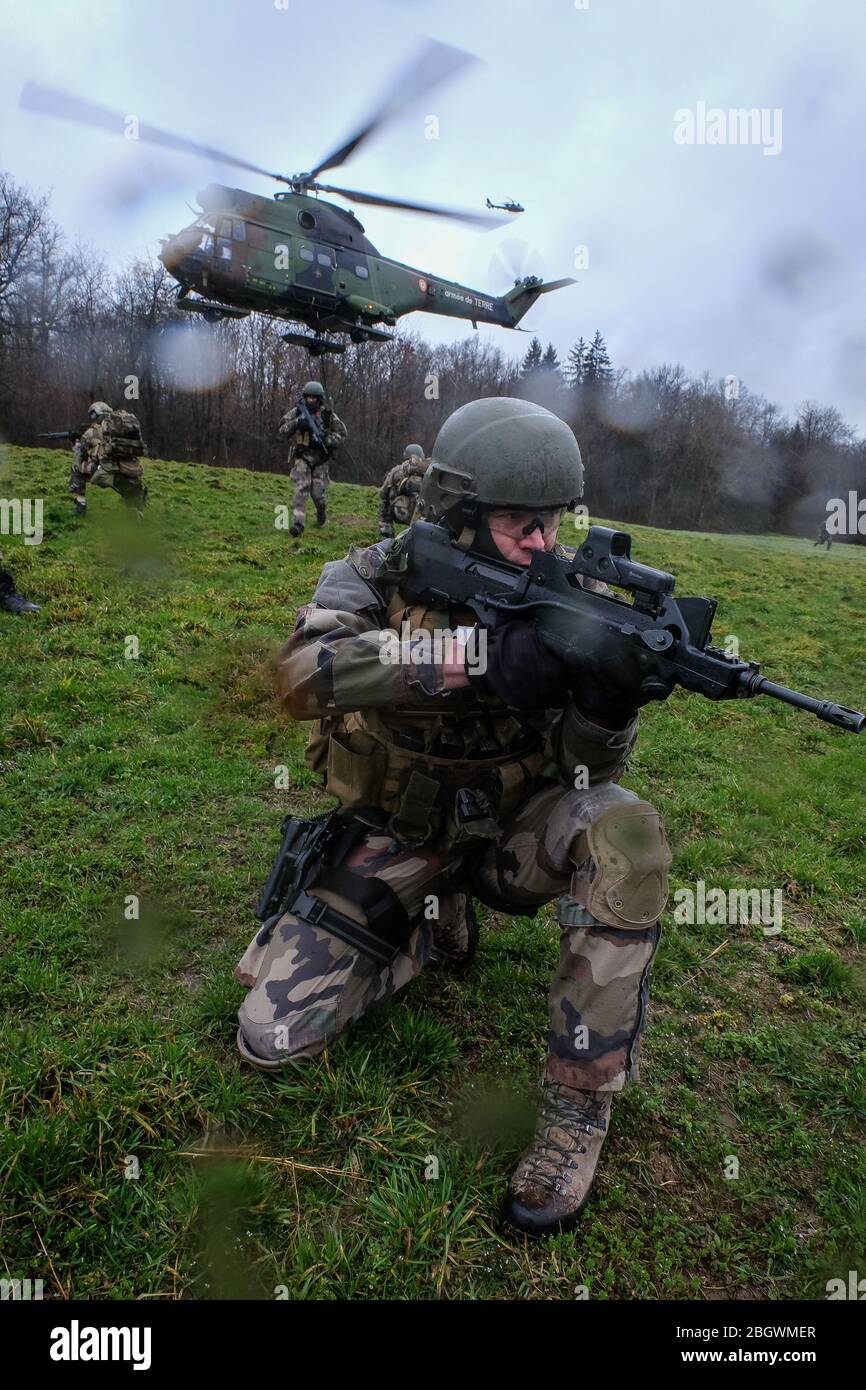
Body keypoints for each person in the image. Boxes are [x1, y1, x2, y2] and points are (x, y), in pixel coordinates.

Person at [234, 397, 673, 1237]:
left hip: (517, 831)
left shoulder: (569, 599)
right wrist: (471, 660)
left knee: (626, 830)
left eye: (554, 523)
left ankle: (577, 1111)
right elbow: (297, 678)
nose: (545, 544)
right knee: (270, 1037)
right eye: (521, 524)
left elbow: (591, 770)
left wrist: (611, 701)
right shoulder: (373, 574)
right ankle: (428, 927)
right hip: (404, 832)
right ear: (459, 516)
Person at [279, 381, 347, 537]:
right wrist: (298, 423)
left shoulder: (327, 415)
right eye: (308, 397)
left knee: (317, 495)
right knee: (300, 491)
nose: (310, 401)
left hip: (320, 460)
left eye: (313, 398)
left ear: (319, 399)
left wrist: (327, 440)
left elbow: (342, 433)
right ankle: (298, 524)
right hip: (302, 457)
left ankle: (321, 514)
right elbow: (282, 430)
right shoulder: (297, 412)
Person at [69, 401, 147, 516]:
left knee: (76, 469)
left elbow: (81, 455)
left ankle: (80, 506)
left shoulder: (91, 432)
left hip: (106, 472)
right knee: (129, 491)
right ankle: (135, 510)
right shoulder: (122, 430)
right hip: (130, 472)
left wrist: (76, 444)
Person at [378, 443, 427, 538]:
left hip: (401, 511)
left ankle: (387, 531)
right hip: (422, 515)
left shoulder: (397, 470)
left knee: (385, 504)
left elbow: (383, 493)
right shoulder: (428, 471)